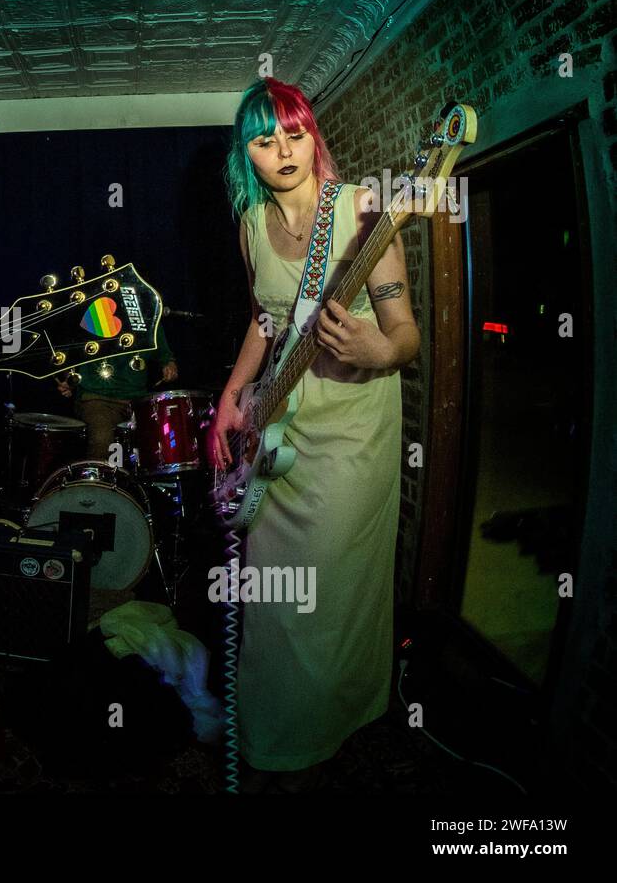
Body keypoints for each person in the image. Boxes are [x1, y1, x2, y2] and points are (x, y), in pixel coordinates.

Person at [206, 77, 418, 793]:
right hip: (278, 421)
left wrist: (376, 351)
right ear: (247, 155)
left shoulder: (359, 208)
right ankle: (271, 738)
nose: (283, 151)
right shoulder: (248, 224)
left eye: (293, 133)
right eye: (264, 141)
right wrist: (232, 400)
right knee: (271, 598)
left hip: (351, 425)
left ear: (313, 134)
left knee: (326, 594)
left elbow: (404, 335)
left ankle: (334, 731)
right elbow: (266, 320)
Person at [56, 336, 177, 462]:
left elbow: (160, 345)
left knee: (155, 445)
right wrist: (67, 378)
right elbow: (68, 345)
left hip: (137, 399)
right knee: (102, 440)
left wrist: (168, 363)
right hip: (96, 396)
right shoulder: (89, 316)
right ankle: (99, 480)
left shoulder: (147, 316)